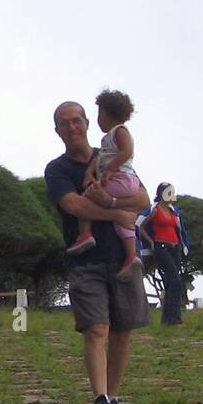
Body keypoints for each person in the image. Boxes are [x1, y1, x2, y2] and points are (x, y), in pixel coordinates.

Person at [45, 101, 152, 404]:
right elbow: (73, 204)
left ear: (88, 123)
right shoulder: (57, 169)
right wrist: (118, 215)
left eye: (77, 120)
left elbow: (144, 199)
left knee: (122, 332)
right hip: (85, 261)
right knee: (97, 329)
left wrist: (114, 204)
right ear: (58, 131)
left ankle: (114, 398)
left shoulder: (111, 153)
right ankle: (100, 401)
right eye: (65, 123)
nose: (72, 127)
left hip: (123, 259)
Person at [67, 90, 143, 281]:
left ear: (105, 114)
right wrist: (89, 172)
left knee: (87, 197)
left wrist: (110, 169)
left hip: (121, 180)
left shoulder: (120, 131)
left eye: (99, 113)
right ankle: (132, 256)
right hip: (123, 181)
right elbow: (99, 158)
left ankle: (85, 235)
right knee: (122, 223)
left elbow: (127, 151)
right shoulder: (108, 139)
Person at [138, 182, 192, 326]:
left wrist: (183, 244)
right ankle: (174, 319)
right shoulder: (154, 210)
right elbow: (140, 225)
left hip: (175, 247)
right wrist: (150, 241)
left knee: (171, 281)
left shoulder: (174, 211)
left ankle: (168, 318)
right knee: (175, 281)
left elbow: (180, 229)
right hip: (161, 246)